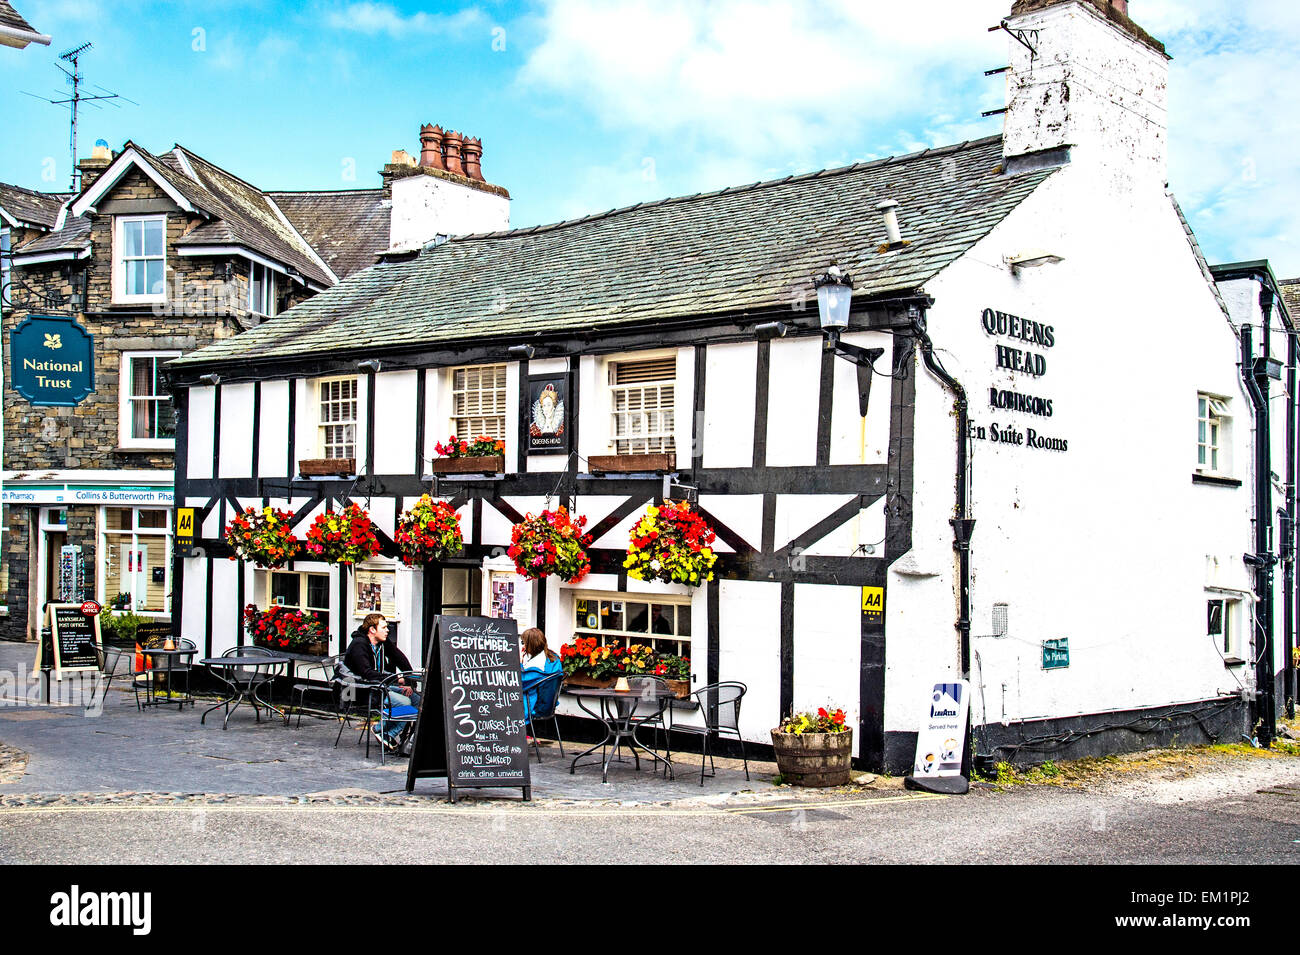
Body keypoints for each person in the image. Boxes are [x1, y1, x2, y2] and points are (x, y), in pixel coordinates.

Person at [342, 613, 419, 754]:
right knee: (405, 702)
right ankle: (383, 730)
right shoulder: (359, 645)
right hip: (363, 690)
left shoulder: (382, 642)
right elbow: (367, 673)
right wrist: (396, 679)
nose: (387, 630)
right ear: (372, 629)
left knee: (418, 700)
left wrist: (408, 680)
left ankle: (404, 739)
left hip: (381, 685)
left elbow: (399, 657)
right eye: (383, 627)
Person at [519, 627, 562, 723]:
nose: (523, 646)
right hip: (548, 706)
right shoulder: (553, 660)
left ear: (530, 645)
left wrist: (520, 662)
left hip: (534, 707)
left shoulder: (536, 668)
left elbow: (519, 683)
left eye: (523, 643)